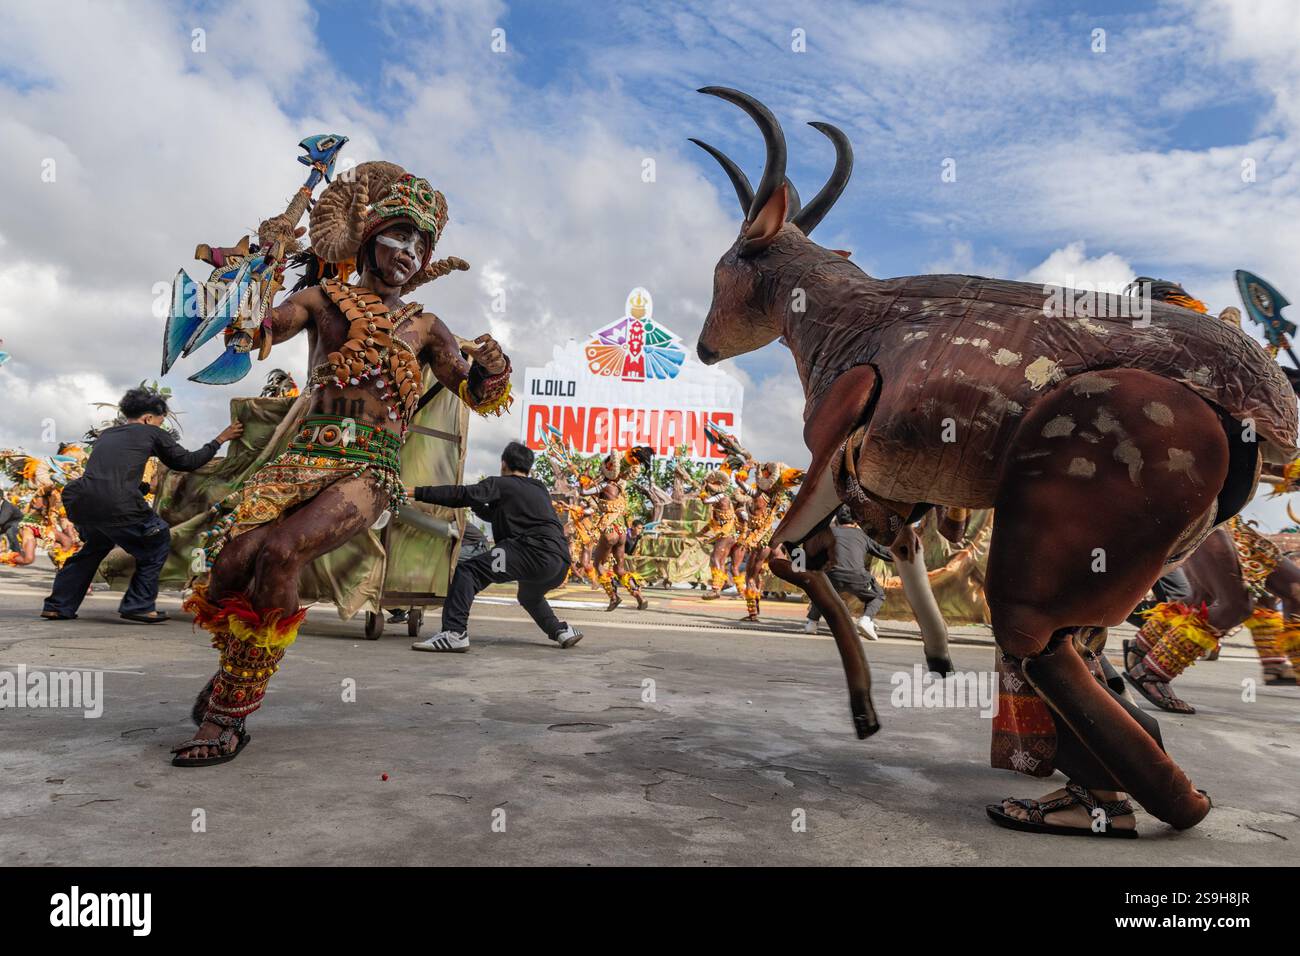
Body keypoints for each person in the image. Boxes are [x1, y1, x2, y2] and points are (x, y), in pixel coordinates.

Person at [40, 387, 242, 622]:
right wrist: (220, 439)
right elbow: (187, 461)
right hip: (115, 502)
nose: (160, 426)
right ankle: (138, 605)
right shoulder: (151, 433)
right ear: (148, 418)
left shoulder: (107, 434)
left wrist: (145, 488)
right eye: (160, 421)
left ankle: (57, 606)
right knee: (157, 540)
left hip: (83, 501)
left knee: (94, 548)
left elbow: (110, 477)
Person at [410, 441, 580, 652]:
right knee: (529, 596)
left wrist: (415, 492)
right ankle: (561, 630)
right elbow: (497, 515)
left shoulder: (501, 483)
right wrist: (475, 503)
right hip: (560, 560)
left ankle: (454, 632)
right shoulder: (539, 488)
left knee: (468, 572)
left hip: (530, 551)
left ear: (503, 464)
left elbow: (460, 494)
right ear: (529, 467)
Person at [804, 507, 892, 641]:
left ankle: (812, 623)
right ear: (857, 520)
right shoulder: (862, 535)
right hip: (858, 578)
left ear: (838, 520)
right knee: (878, 595)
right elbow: (885, 553)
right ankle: (866, 619)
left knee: (821, 592)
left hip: (832, 576)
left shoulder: (828, 533)